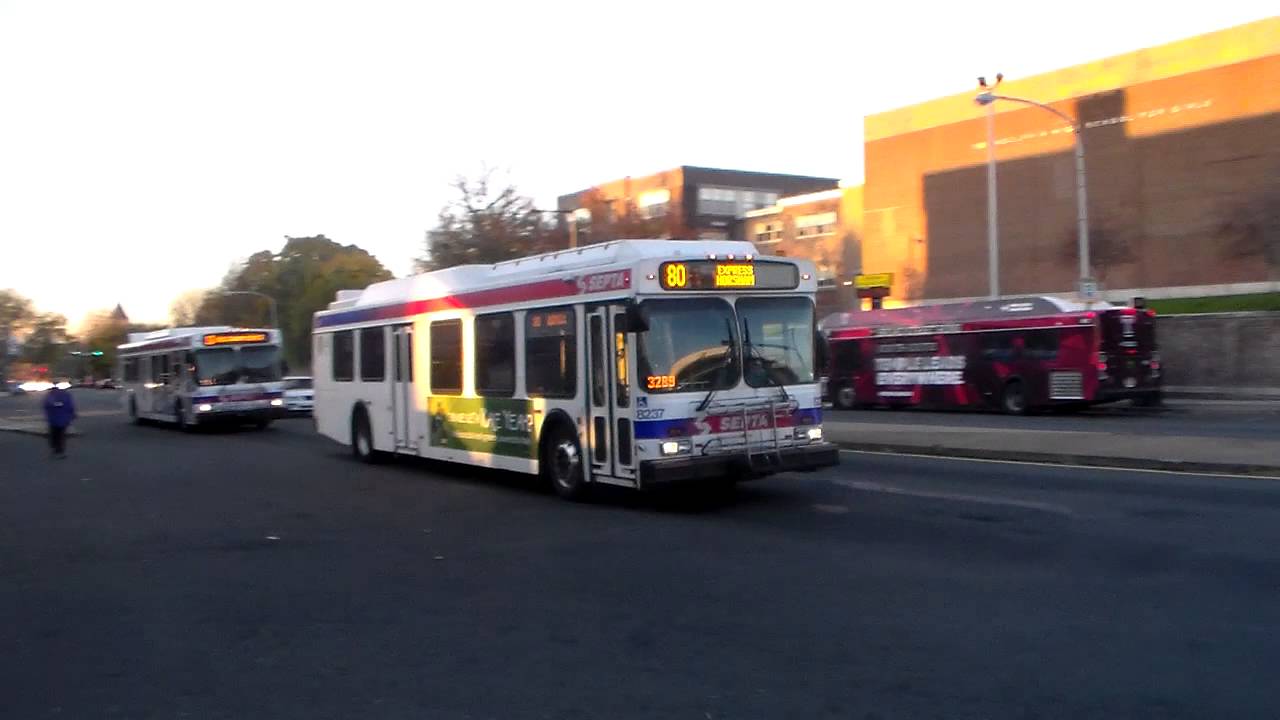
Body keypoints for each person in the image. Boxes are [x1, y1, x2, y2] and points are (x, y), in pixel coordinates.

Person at [43, 379, 77, 459]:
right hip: (63, 419)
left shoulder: (50, 395)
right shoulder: (66, 395)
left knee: (55, 435)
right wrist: (72, 415)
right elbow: (70, 406)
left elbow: (47, 406)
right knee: (61, 435)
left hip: (54, 419)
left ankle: (56, 450)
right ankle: (60, 451)